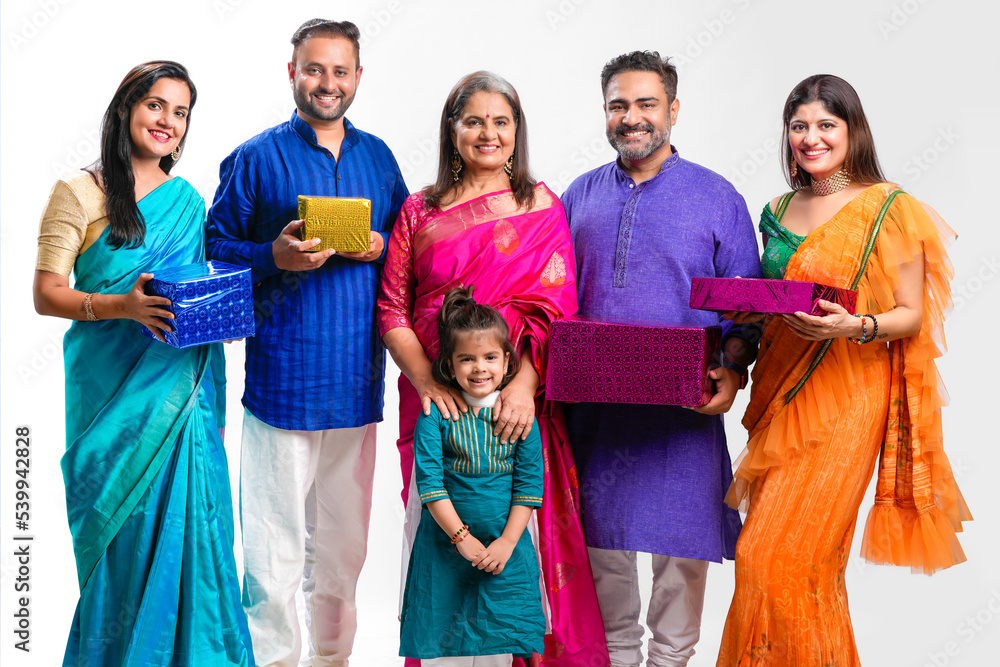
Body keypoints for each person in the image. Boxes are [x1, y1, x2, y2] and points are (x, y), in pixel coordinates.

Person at [716, 74, 971, 666]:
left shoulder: (889, 207)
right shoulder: (776, 210)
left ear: (852, 131)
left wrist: (851, 327)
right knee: (778, 561)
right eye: (799, 126)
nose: (811, 138)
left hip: (850, 397)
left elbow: (909, 315)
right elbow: (772, 301)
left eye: (826, 125)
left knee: (784, 558)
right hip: (783, 389)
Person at [377, 71, 608, 667]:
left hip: (515, 407)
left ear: (517, 130)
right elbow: (391, 309)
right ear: (452, 131)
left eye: (501, 121)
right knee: (436, 529)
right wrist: (427, 381)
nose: (488, 133)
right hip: (436, 406)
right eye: (473, 120)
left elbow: (560, 311)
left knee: (519, 533)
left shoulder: (541, 206)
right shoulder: (418, 211)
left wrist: (526, 385)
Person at [32, 60, 253, 666]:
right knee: (124, 531)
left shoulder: (187, 201)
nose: (168, 122)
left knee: (195, 524)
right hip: (112, 399)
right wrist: (123, 307)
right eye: (156, 105)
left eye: (180, 113)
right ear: (126, 107)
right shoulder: (78, 192)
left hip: (182, 394)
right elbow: (46, 293)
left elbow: (197, 286)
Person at [204, 19, 408, 667]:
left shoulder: (379, 158)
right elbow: (211, 250)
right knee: (272, 557)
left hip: (355, 385)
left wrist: (379, 245)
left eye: (339, 70)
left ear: (357, 76)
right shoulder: (256, 157)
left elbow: (410, 249)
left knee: (344, 554)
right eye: (314, 69)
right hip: (281, 385)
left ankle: (331, 660)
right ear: (290, 71)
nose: (327, 82)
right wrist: (272, 255)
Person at [560, 51, 762, 667]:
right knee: (603, 543)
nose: (632, 118)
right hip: (595, 408)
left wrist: (732, 369)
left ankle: (672, 659)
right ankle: (618, 657)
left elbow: (744, 302)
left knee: (682, 546)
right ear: (604, 113)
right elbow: (553, 294)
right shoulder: (578, 195)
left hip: (684, 404)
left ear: (673, 109)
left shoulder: (716, 196)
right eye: (618, 105)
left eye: (646, 104)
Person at [400, 286, 546, 664]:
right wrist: (462, 540)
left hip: (505, 551)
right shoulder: (436, 416)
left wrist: (507, 544)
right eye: (467, 359)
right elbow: (430, 485)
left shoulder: (521, 419)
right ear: (449, 365)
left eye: (490, 357)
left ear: (507, 361)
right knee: (445, 649)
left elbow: (529, 487)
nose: (480, 367)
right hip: (445, 548)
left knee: (497, 646)